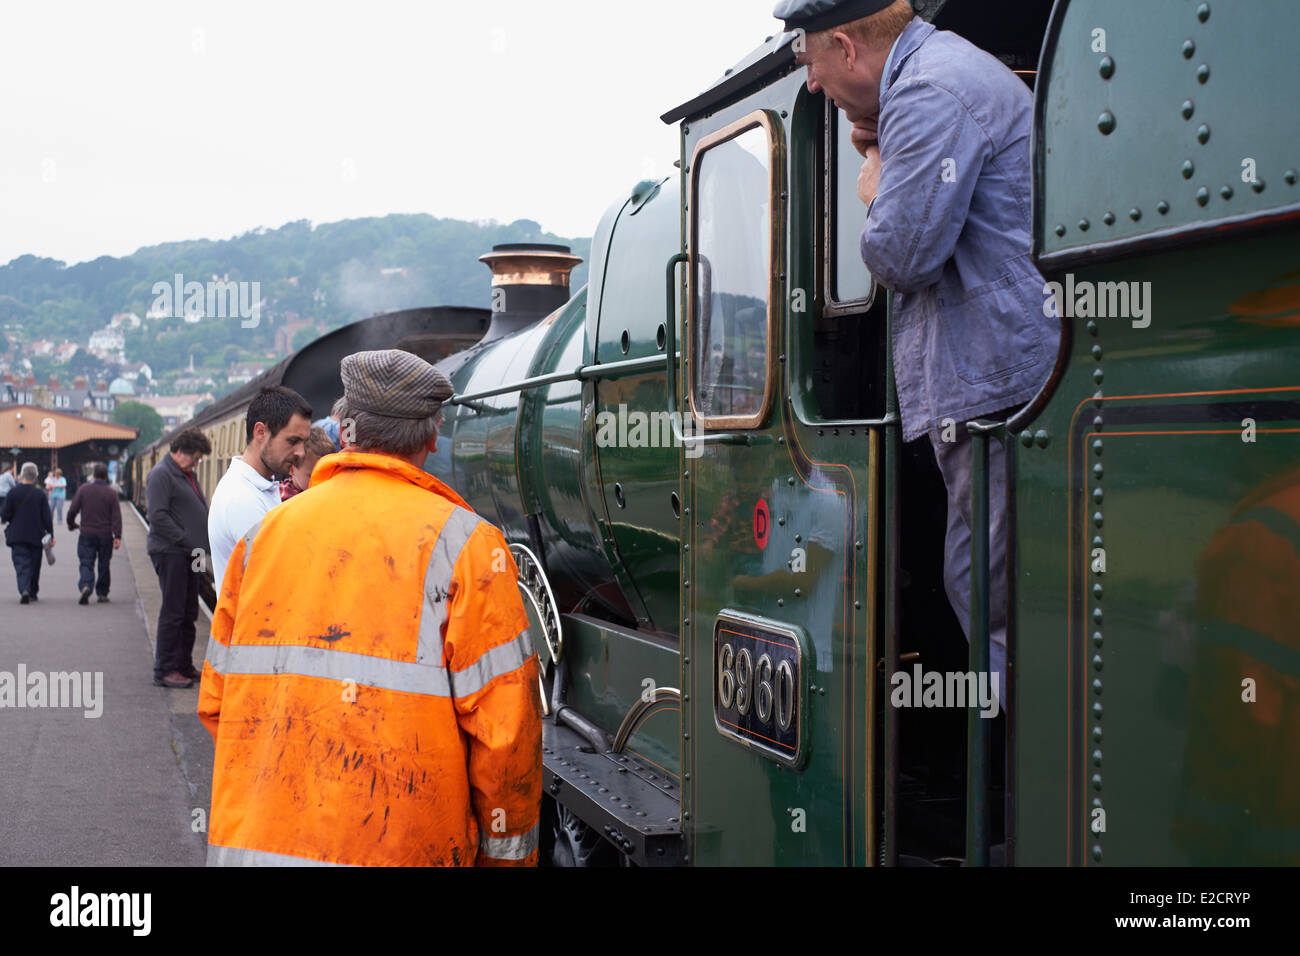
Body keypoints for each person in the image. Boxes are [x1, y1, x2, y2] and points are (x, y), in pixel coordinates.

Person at [779, 0, 1060, 702]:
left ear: (845, 46)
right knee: (976, 581)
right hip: (995, 380)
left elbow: (903, 255)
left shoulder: (930, 93)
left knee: (998, 599)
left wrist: (875, 187)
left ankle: (1024, 794)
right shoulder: (937, 80)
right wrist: (880, 143)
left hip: (999, 386)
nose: (811, 85)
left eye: (809, 64)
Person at [199, 349, 541, 866]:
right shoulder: (469, 547)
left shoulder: (260, 539)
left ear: (343, 430)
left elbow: (217, 703)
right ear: (433, 435)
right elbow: (506, 736)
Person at [207, 386, 311, 596]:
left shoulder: (260, 487)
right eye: (292, 441)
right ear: (260, 432)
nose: (300, 452)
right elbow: (278, 584)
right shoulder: (243, 500)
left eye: (304, 442)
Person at [146, 427, 212, 688]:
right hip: (171, 552)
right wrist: (187, 540)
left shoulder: (186, 474)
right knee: (173, 611)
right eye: (194, 457)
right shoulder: (161, 475)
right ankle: (164, 669)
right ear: (180, 452)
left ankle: (184, 665)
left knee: (189, 611)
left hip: (191, 553)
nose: (196, 463)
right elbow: (158, 517)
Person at [66, 463, 123, 604]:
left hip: (87, 533)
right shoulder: (112, 493)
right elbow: (116, 516)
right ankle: (102, 593)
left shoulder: (84, 489)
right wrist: (117, 536)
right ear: (106, 476)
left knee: (86, 562)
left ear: (94, 475)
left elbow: (73, 509)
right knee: (104, 564)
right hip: (105, 534)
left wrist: (71, 523)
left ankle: (86, 585)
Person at [2, 462, 54, 604]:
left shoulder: (13, 492)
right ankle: (32, 591)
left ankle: (24, 588)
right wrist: (51, 534)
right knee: (35, 564)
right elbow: (47, 517)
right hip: (36, 535)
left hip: (17, 535)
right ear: (36, 476)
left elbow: (4, 515)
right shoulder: (40, 494)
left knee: (21, 563)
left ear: (21, 475)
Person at [279, 425, 337, 501]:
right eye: (312, 476)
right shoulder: (282, 499)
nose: (320, 482)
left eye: (327, 475)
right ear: (291, 469)